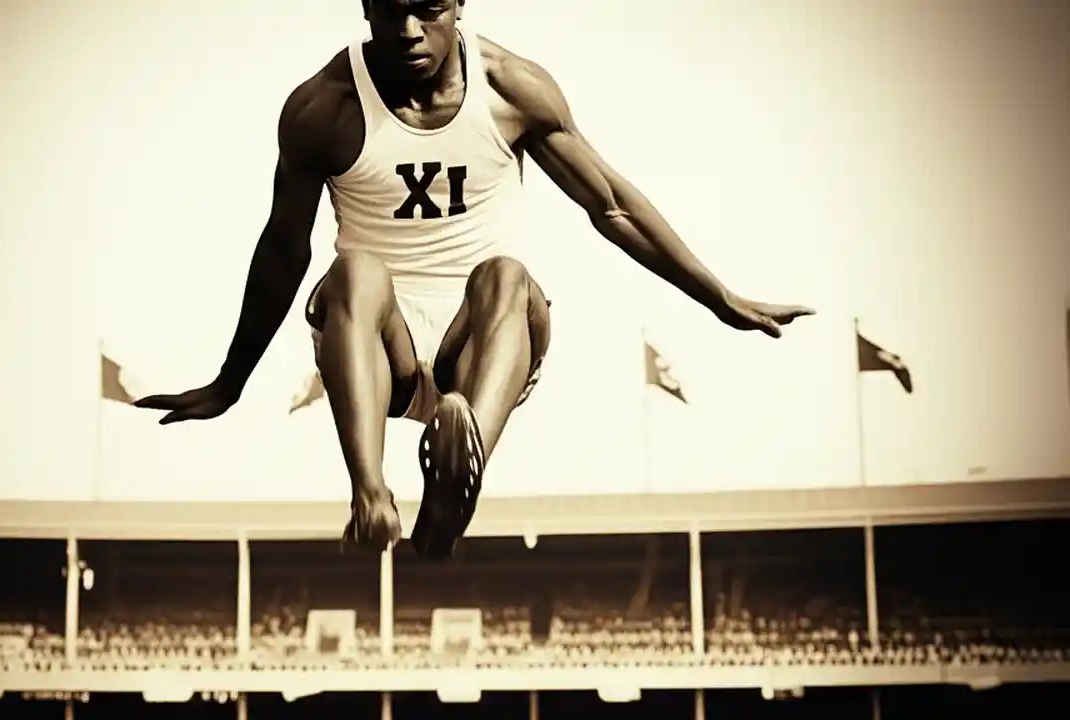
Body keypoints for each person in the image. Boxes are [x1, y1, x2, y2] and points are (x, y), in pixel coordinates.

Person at [134, 0, 814, 558]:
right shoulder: (325, 108)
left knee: (507, 275)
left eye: (425, 11)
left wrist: (718, 296)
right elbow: (284, 251)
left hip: (482, 347)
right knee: (356, 270)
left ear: (457, 5)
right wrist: (231, 380)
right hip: (376, 348)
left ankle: (462, 476)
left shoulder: (512, 89)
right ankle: (370, 495)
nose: (407, 33)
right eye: (389, 15)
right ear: (365, 9)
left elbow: (609, 204)